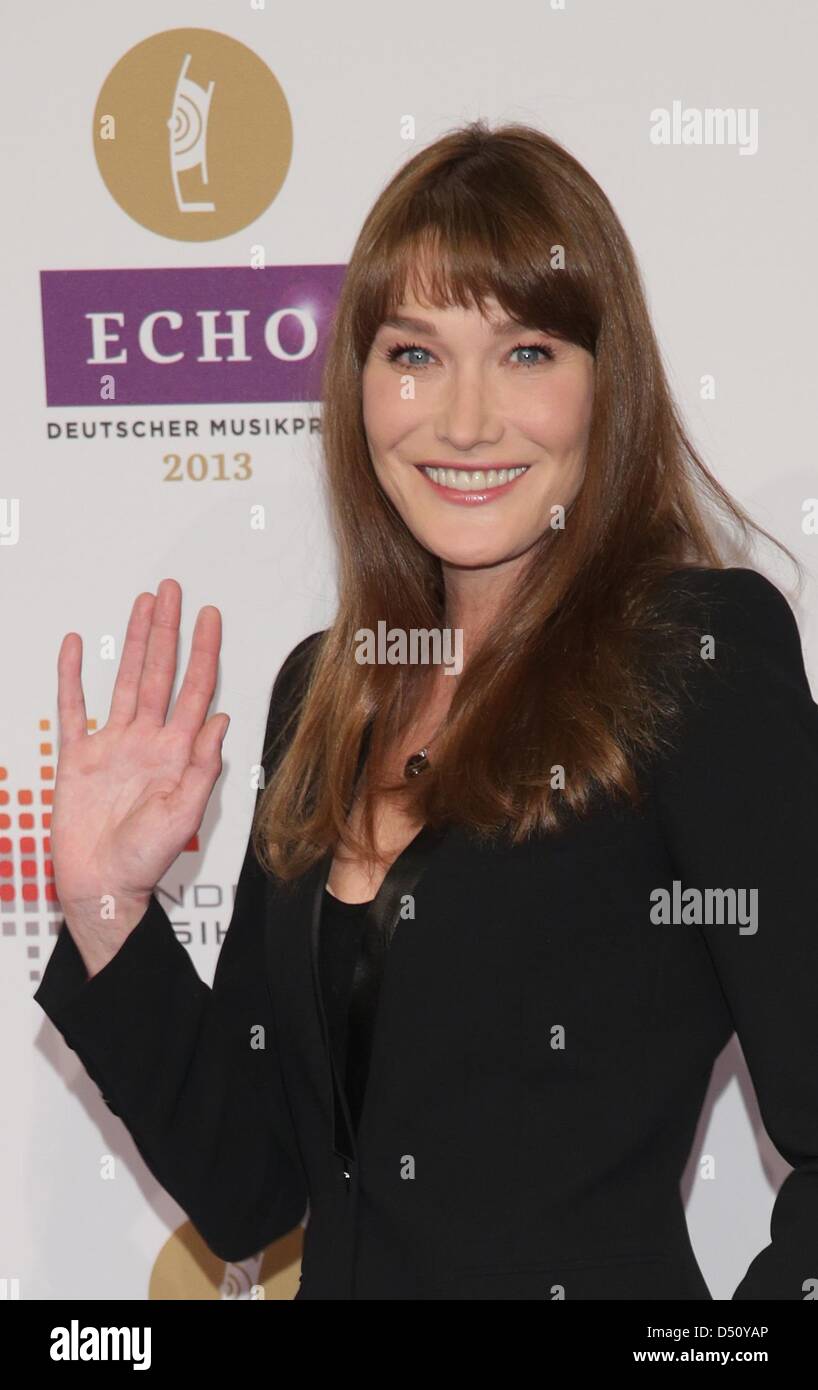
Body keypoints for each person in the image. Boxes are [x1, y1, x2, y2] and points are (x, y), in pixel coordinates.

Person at [35, 120, 818, 1300]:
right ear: (358, 385)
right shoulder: (322, 690)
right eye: (413, 354)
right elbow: (258, 1183)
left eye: (524, 353)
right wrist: (109, 904)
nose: (460, 421)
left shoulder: (695, 658)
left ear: (607, 384)